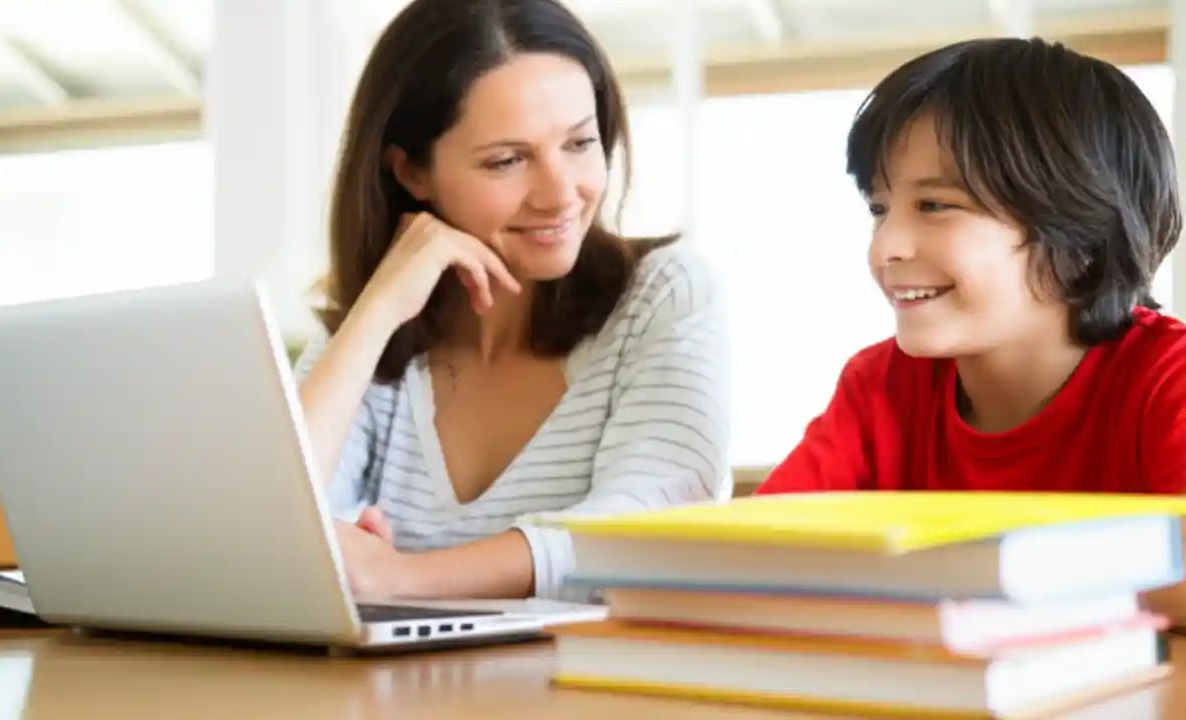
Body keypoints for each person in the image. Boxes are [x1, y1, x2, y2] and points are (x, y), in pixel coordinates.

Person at [295, 0, 730, 602]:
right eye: (507, 160)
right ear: (413, 173)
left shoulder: (663, 296)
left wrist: (403, 577)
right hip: (389, 697)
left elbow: (651, 527)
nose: (560, 195)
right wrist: (376, 309)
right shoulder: (371, 334)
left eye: (580, 143)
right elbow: (272, 528)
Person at [757, 37, 1186, 619]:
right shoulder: (879, 386)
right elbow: (757, 554)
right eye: (880, 208)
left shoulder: (1167, 380)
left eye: (935, 205)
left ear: (1081, 237)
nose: (886, 247)